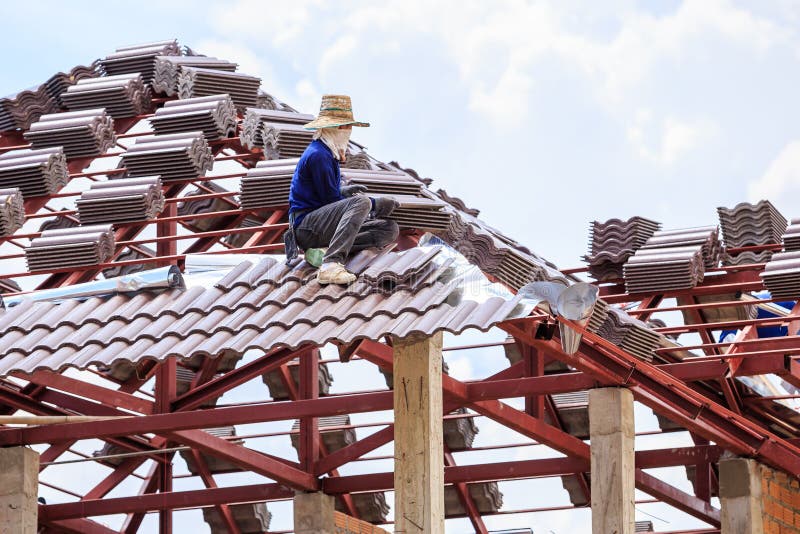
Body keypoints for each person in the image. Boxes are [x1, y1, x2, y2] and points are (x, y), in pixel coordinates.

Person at [286, 94, 399, 285]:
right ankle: (331, 264)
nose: (348, 132)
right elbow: (330, 201)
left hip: (322, 224)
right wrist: (374, 204)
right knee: (362, 202)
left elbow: (328, 194)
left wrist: (343, 190)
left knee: (389, 229)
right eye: (345, 127)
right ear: (332, 128)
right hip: (307, 226)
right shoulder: (318, 156)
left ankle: (323, 251)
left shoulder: (328, 154)